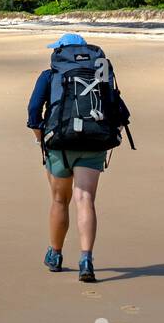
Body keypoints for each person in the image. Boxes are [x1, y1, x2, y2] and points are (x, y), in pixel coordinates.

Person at [26, 32, 115, 283]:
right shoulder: (102, 73)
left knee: (59, 200)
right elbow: (118, 112)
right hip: (94, 142)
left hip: (60, 143)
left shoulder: (50, 75)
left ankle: (55, 255)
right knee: (85, 198)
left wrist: (39, 137)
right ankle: (86, 258)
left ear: (60, 51)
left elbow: (34, 111)